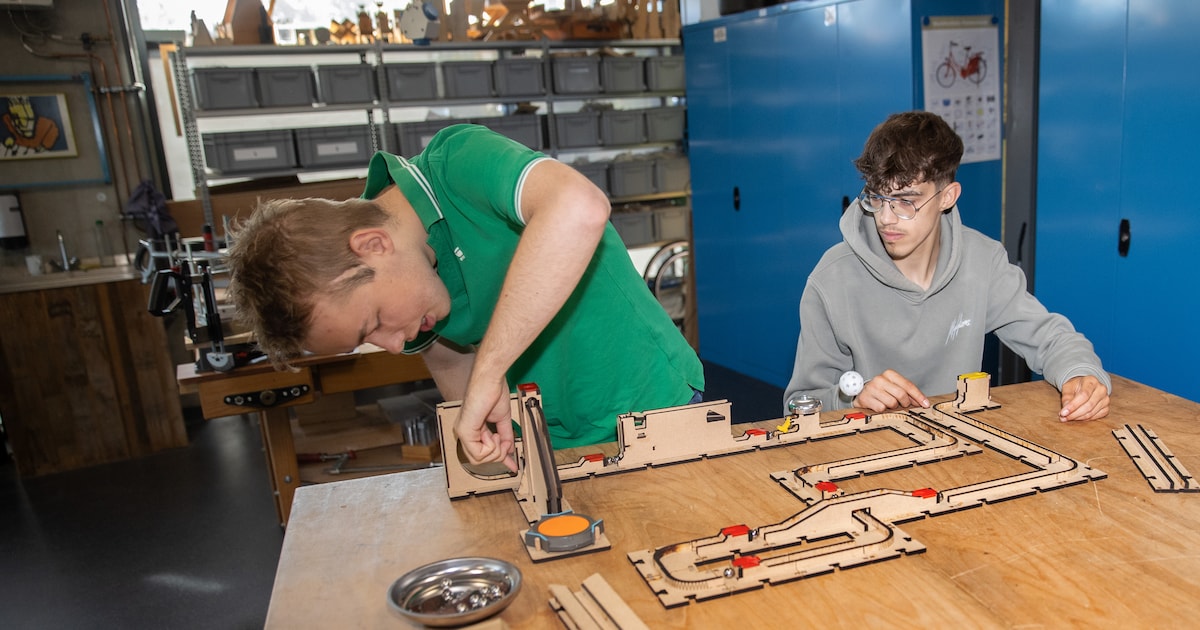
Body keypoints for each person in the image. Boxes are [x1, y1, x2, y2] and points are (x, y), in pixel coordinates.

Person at [227, 124, 704, 470]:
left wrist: (490, 372)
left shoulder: (457, 163)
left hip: (650, 407)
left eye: (373, 322)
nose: (392, 345)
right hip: (551, 440)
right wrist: (493, 440)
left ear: (373, 245)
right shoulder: (409, 286)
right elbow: (450, 360)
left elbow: (579, 208)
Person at [784, 111, 1109, 421]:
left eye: (905, 201)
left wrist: (1081, 374)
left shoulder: (983, 261)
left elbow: (1051, 338)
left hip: (957, 448)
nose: (885, 218)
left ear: (947, 196)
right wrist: (851, 399)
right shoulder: (831, 278)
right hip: (865, 452)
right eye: (877, 198)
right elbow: (797, 405)